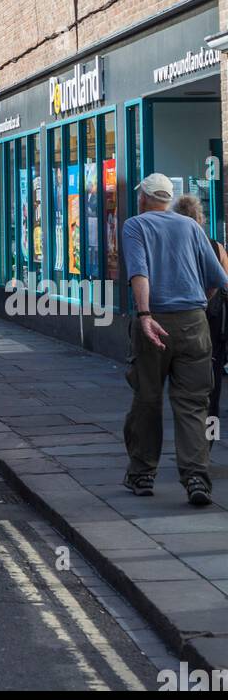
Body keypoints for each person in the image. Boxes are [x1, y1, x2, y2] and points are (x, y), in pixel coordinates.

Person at [120, 174, 227, 507]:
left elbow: (139, 272)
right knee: (193, 404)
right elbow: (218, 280)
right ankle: (196, 477)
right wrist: (197, 306)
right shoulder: (191, 227)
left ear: (143, 198)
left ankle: (142, 475)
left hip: (155, 320)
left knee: (148, 398)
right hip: (194, 322)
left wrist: (145, 315)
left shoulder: (135, 226)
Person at [173, 194, 228, 419]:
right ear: (200, 218)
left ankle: (191, 418)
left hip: (184, 318)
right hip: (212, 320)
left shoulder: (174, 248)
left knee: (185, 372)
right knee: (211, 372)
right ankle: (208, 428)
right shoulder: (216, 247)